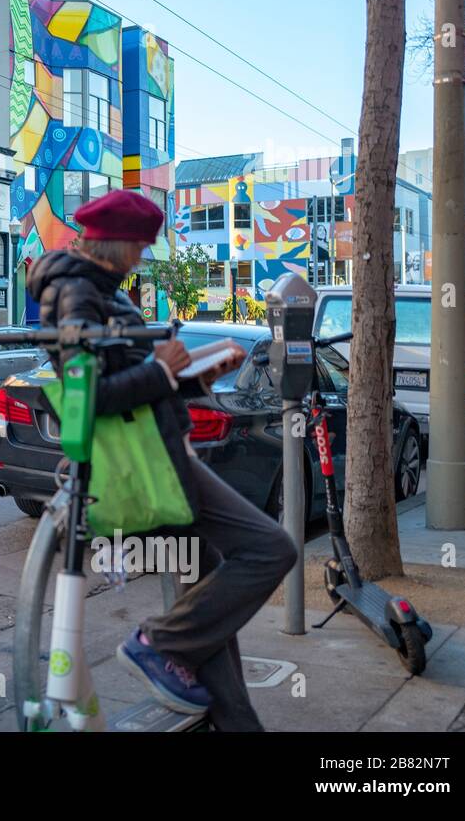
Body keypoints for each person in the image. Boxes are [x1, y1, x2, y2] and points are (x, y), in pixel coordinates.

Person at [28, 188, 296, 731]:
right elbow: (91, 394)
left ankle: (233, 719)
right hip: (147, 460)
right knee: (271, 548)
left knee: (208, 599)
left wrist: (200, 371)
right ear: (116, 242)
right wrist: (164, 371)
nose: (140, 261)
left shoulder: (103, 289)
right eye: (139, 249)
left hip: (160, 447)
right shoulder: (77, 292)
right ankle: (158, 642)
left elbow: (146, 378)